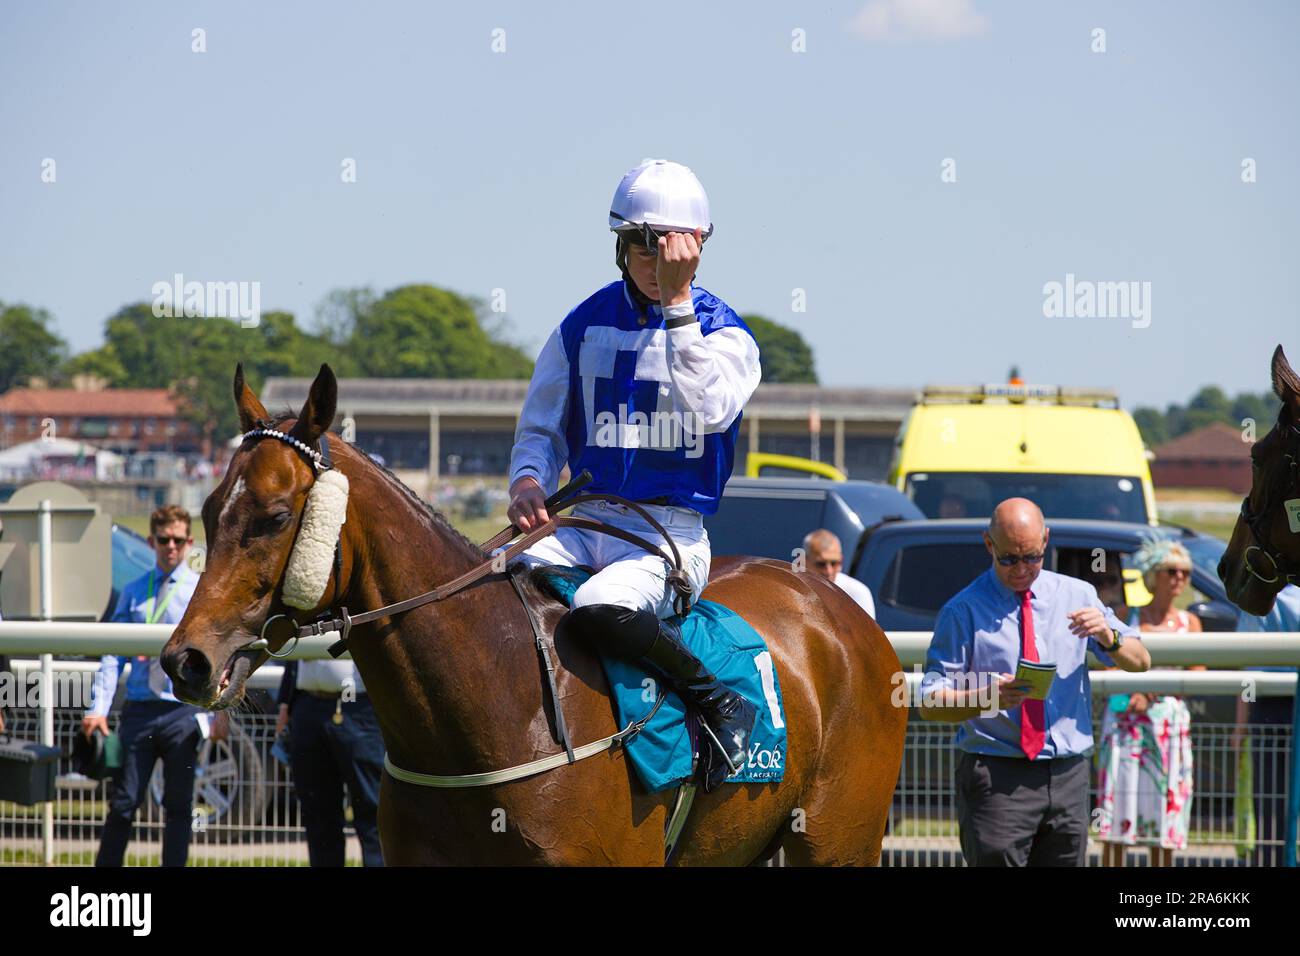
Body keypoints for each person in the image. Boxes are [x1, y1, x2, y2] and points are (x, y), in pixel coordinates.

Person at [505, 158, 762, 791]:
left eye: (662, 246)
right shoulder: (580, 323)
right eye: (637, 245)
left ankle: (716, 699)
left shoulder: (728, 334)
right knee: (496, 581)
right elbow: (540, 424)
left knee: (599, 605)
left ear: (695, 247)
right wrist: (528, 481)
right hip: (583, 519)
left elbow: (708, 409)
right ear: (620, 246)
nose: (650, 259)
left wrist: (677, 305)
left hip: (669, 534)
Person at [918, 498, 1151, 866]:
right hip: (996, 774)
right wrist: (987, 697)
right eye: (1009, 558)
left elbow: (1141, 661)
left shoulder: (1078, 595)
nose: (1022, 569)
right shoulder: (962, 611)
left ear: (1046, 539)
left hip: (1068, 772)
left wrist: (1109, 636)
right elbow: (930, 703)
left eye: (1032, 557)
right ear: (988, 545)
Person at [82, 505, 227, 867]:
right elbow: (113, 654)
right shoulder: (133, 591)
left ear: (190, 542)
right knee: (123, 802)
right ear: (152, 541)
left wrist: (220, 710)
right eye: (164, 540)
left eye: (179, 540)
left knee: (178, 807)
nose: (171, 547)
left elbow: (220, 653)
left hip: (182, 712)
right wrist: (98, 708)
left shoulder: (200, 593)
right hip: (140, 711)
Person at [1095, 539, 1201, 866]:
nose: (1180, 579)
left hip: (1167, 725)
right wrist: (1134, 690)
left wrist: (1151, 691)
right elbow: (1111, 661)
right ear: (1153, 574)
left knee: (1163, 805)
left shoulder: (1190, 624)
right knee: (1118, 806)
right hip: (1126, 721)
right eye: (1172, 571)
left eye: (1185, 573)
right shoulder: (1129, 615)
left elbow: (1199, 669)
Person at [275, 658, 384, 866]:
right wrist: (284, 703)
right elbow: (292, 654)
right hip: (307, 707)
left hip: (359, 709)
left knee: (372, 812)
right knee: (318, 815)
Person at [1236, 584, 1300, 866]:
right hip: (1271, 705)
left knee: (1271, 802)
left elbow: (1247, 665)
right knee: (1271, 801)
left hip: (1269, 707)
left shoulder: (1257, 593)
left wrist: (1240, 727)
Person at [802, 529, 875, 617]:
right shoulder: (792, 589)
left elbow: (865, 630)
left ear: (841, 562)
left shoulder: (857, 593)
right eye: (821, 564)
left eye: (834, 563)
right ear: (804, 561)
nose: (828, 571)